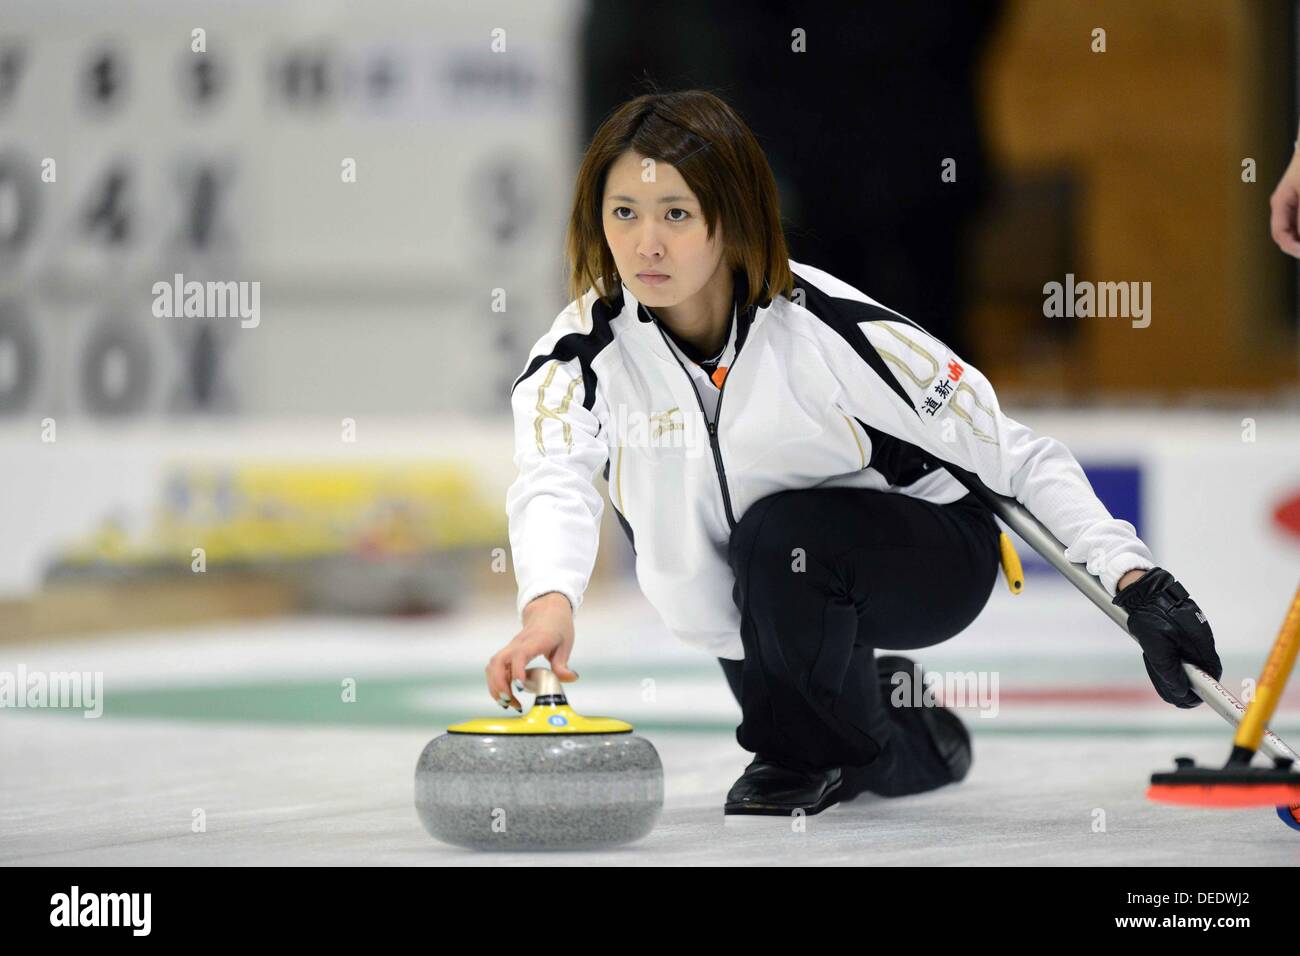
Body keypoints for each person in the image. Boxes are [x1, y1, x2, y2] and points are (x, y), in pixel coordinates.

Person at [487, 90, 1223, 816]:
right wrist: (547, 605)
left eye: (676, 214)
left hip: (926, 550)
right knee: (858, 749)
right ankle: (915, 734)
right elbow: (556, 476)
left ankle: (794, 755)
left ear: (732, 216)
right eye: (624, 213)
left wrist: (1137, 581)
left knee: (782, 563)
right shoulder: (583, 351)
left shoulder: (822, 327)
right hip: (762, 596)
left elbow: (1015, 454)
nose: (646, 244)